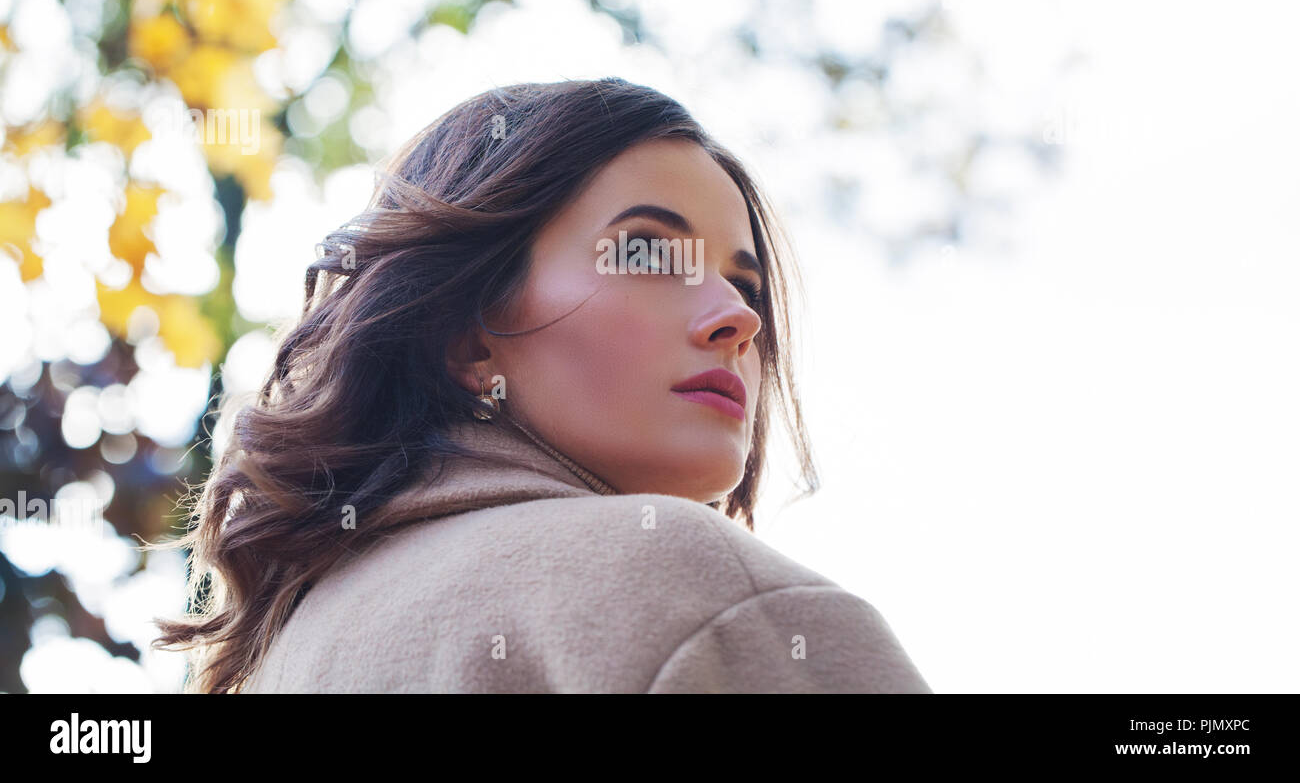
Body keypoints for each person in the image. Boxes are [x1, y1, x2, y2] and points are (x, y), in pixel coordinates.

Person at [149, 77, 932, 693]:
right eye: (650, 254)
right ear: (465, 332)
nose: (739, 320)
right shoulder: (680, 584)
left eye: (747, 286)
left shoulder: (296, 649)